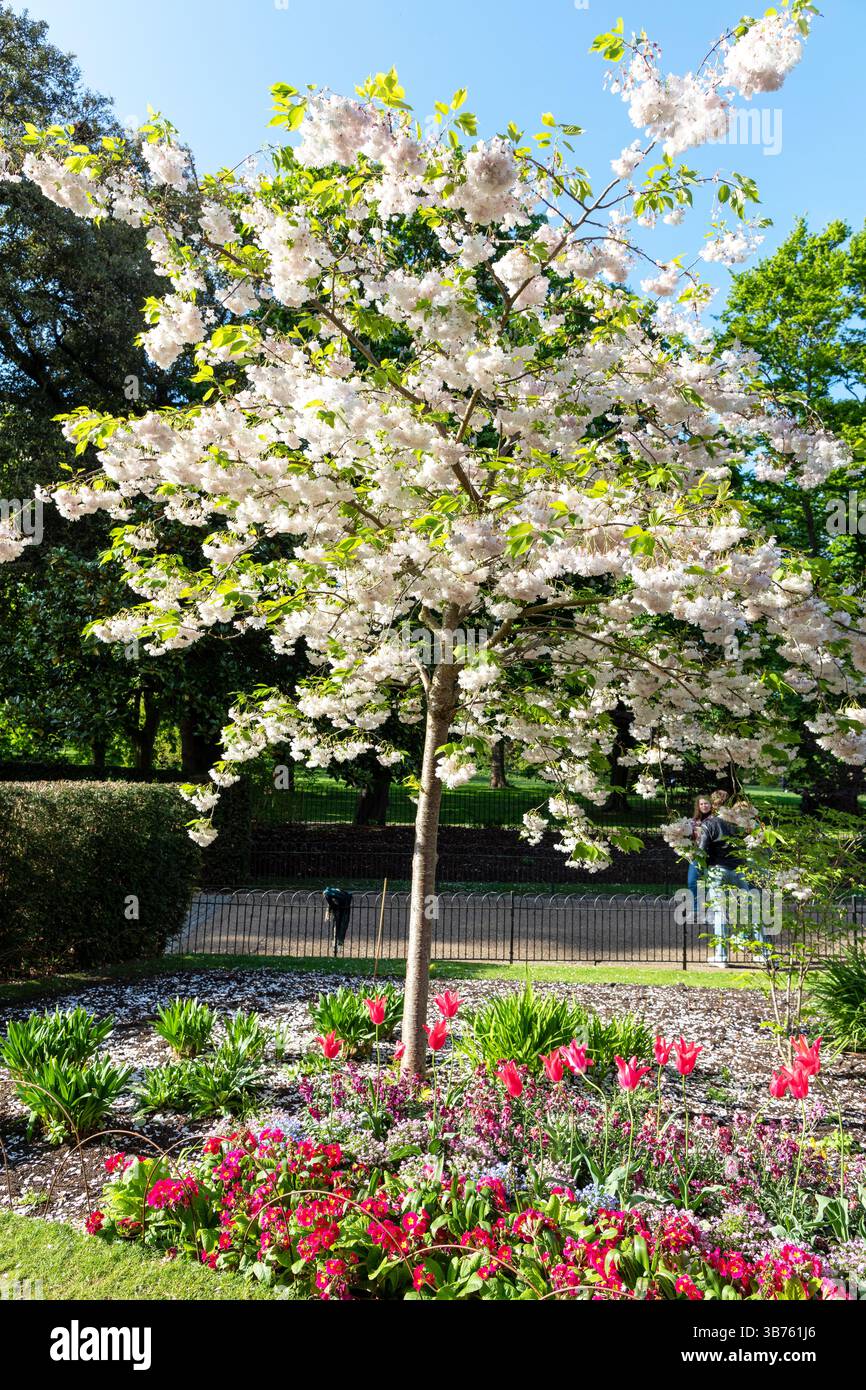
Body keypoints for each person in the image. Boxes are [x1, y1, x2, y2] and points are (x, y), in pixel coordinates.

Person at [698, 803, 764, 967]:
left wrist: (703, 864)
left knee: (720, 912)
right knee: (751, 911)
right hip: (739, 870)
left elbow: (702, 850)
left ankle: (721, 956)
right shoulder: (741, 826)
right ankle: (764, 954)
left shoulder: (710, 824)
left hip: (717, 870)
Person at [687, 794, 713, 919]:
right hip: (696, 856)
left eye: (706, 803)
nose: (704, 806)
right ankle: (697, 909)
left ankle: (709, 910)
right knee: (692, 882)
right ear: (698, 806)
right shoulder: (693, 822)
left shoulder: (716, 819)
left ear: (711, 804)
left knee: (709, 883)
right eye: (701, 804)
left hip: (713, 856)